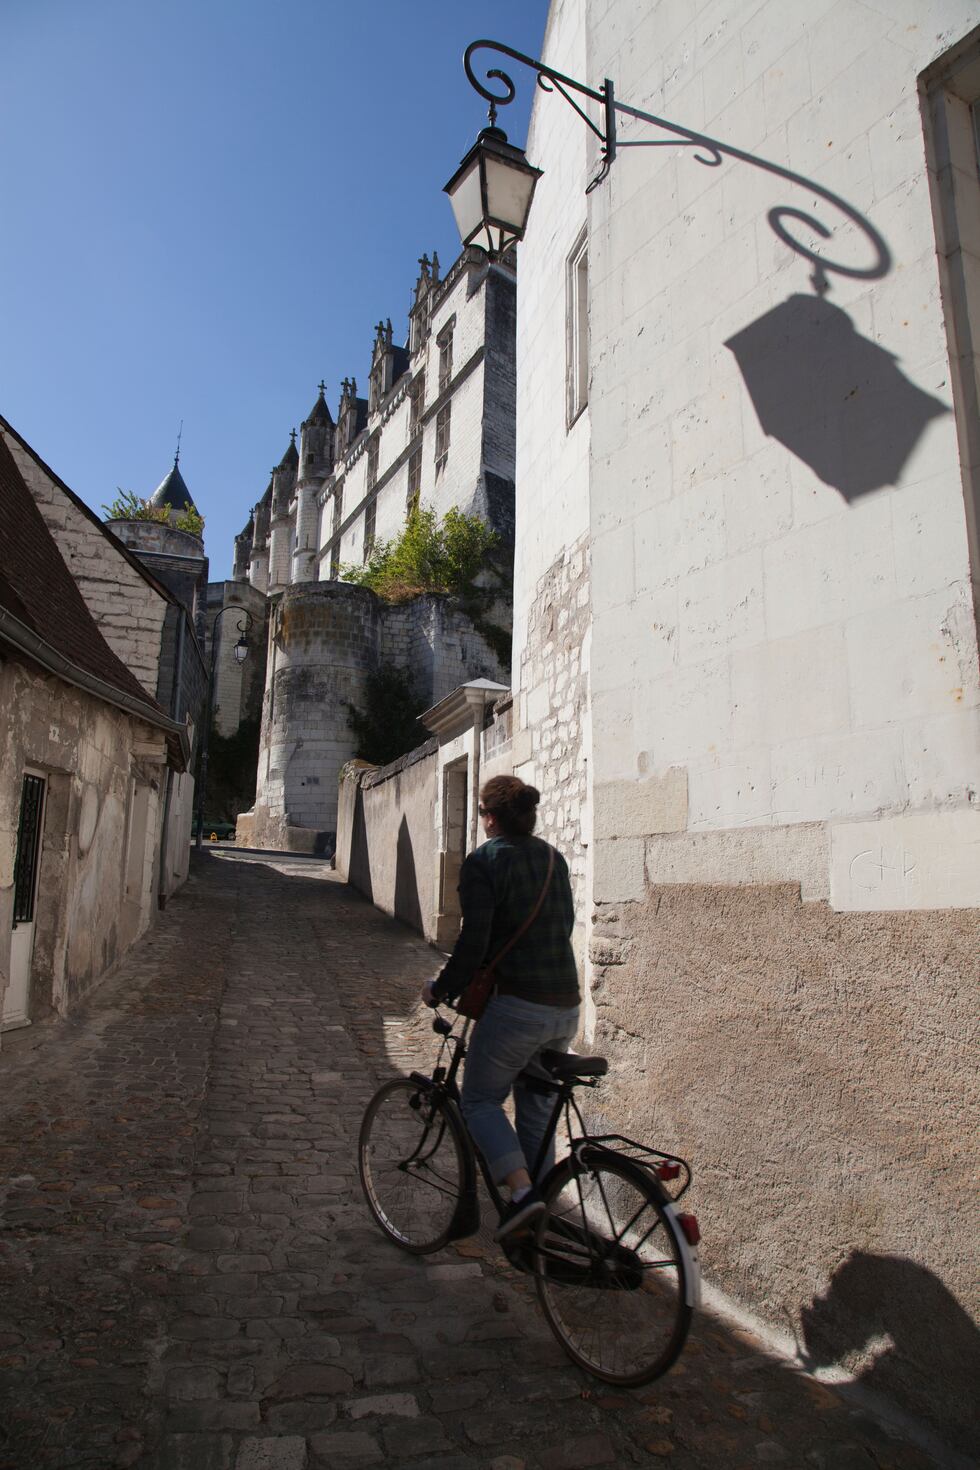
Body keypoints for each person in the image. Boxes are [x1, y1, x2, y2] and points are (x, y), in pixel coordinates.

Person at [422, 775, 580, 1240]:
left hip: (517, 1007)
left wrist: (442, 988)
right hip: (565, 1006)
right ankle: (534, 1216)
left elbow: (474, 941)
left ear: (489, 817)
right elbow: (564, 924)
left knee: (479, 1101)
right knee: (535, 1110)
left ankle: (523, 1194)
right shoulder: (555, 859)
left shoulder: (483, 862)